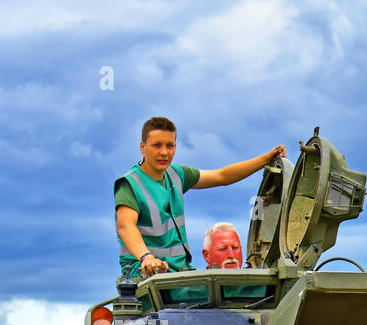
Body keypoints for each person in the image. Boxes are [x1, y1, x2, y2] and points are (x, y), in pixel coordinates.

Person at [115, 117, 284, 279]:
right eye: (156, 145)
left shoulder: (176, 174)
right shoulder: (130, 183)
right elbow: (125, 226)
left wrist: (265, 160)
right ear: (142, 147)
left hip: (178, 274)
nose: (164, 152)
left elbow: (222, 176)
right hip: (144, 276)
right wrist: (146, 258)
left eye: (170, 145)